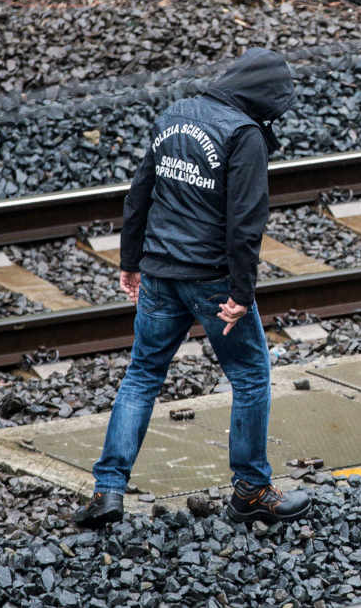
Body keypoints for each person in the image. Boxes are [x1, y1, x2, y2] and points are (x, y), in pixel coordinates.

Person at [72, 48, 312, 527]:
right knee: (250, 377)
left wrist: (131, 261)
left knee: (142, 376)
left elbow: (140, 193)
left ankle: (107, 492)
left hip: (160, 273)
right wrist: (242, 293)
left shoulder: (177, 114)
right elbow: (245, 223)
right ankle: (251, 490)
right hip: (212, 280)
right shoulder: (243, 134)